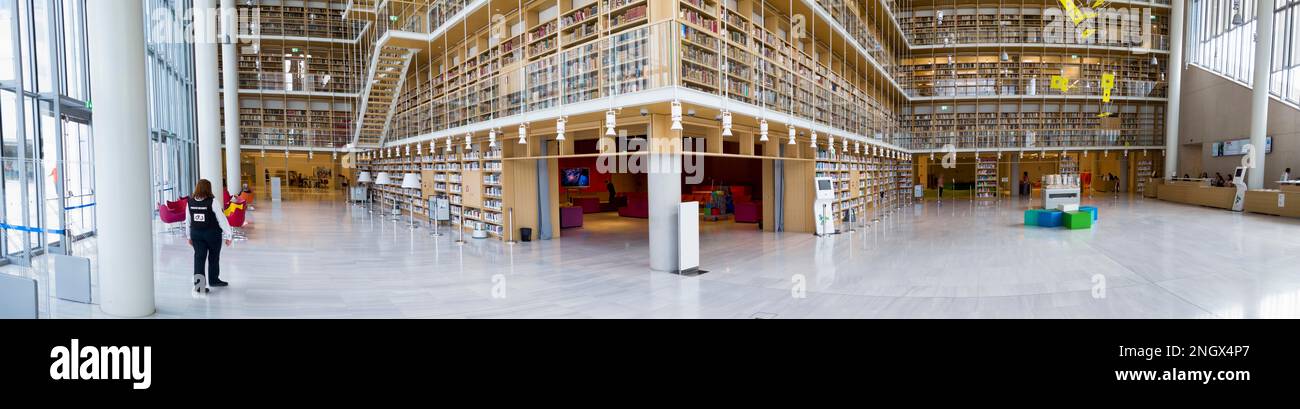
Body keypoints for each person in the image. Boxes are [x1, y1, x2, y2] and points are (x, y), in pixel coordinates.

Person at [188, 179, 232, 289]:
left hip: (196, 234)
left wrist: (189, 236)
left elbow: (187, 221)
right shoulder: (213, 202)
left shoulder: (190, 202)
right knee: (213, 257)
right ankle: (214, 280)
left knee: (199, 258)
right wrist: (228, 235)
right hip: (212, 235)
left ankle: (199, 286)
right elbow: (221, 219)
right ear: (209, 188)